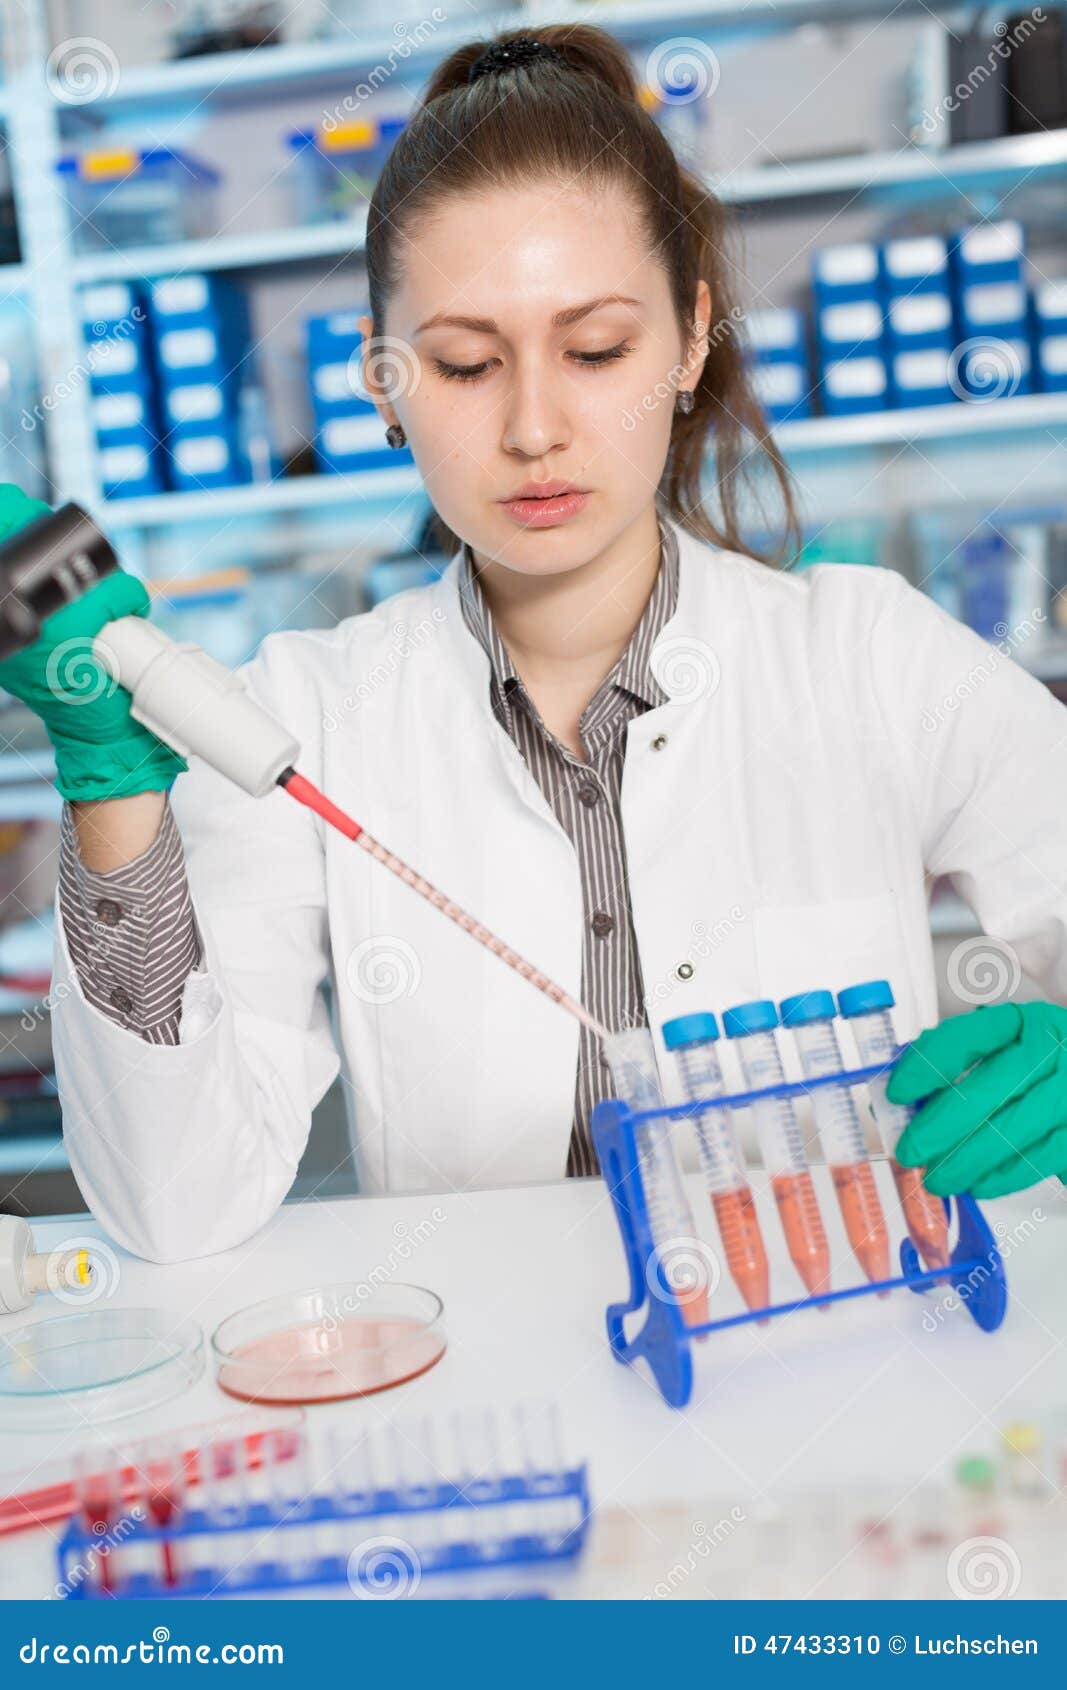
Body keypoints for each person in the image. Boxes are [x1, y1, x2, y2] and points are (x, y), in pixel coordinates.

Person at [2, 25, 1066, 1265]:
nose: (532, 428)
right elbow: (178, 1208)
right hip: (496, 1364)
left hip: (841, 1330)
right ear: (382, 381)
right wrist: (110, 787)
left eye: (596, 349)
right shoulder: (300, 714)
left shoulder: (868, 654)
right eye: (463, 365)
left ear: (689, 338)